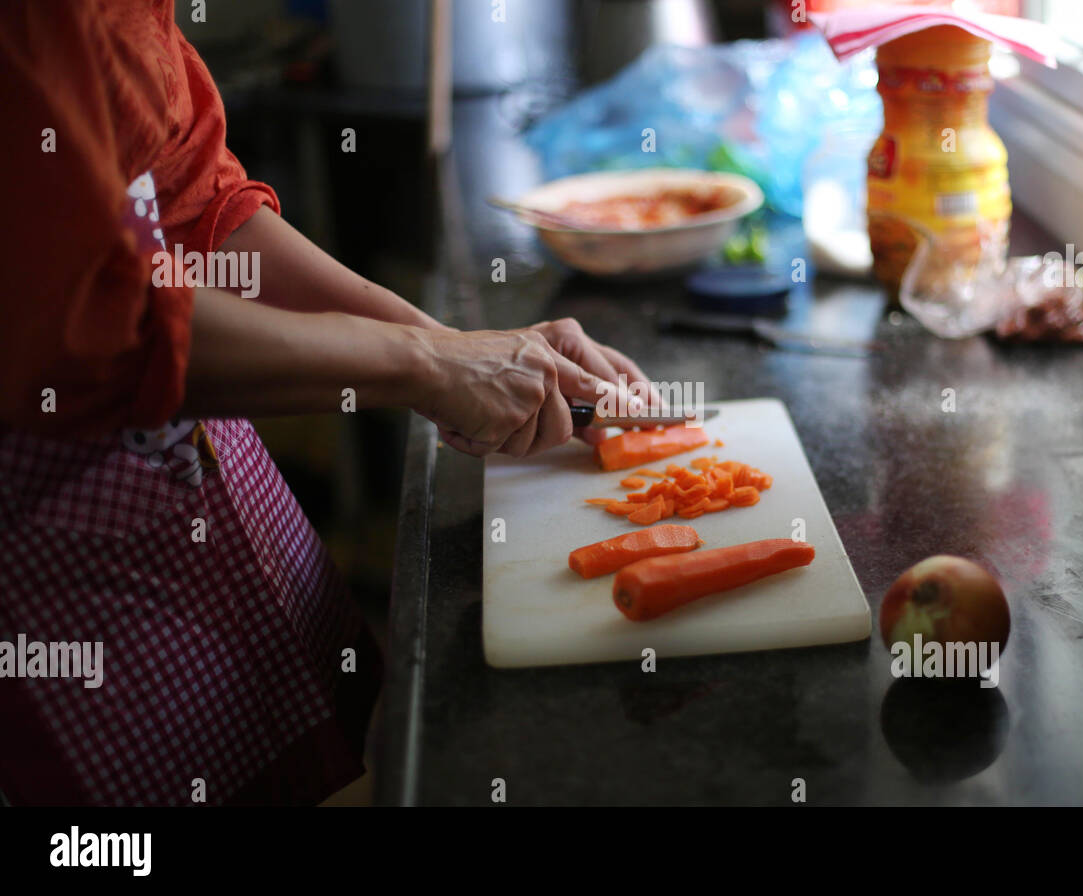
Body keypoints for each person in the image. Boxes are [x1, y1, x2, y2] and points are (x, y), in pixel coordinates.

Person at [0, 0, 650, 806]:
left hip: (193, 516)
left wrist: (449, 350)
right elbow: (87, 318)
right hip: (50, 583)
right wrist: (425, 363)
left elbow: (191, 205)